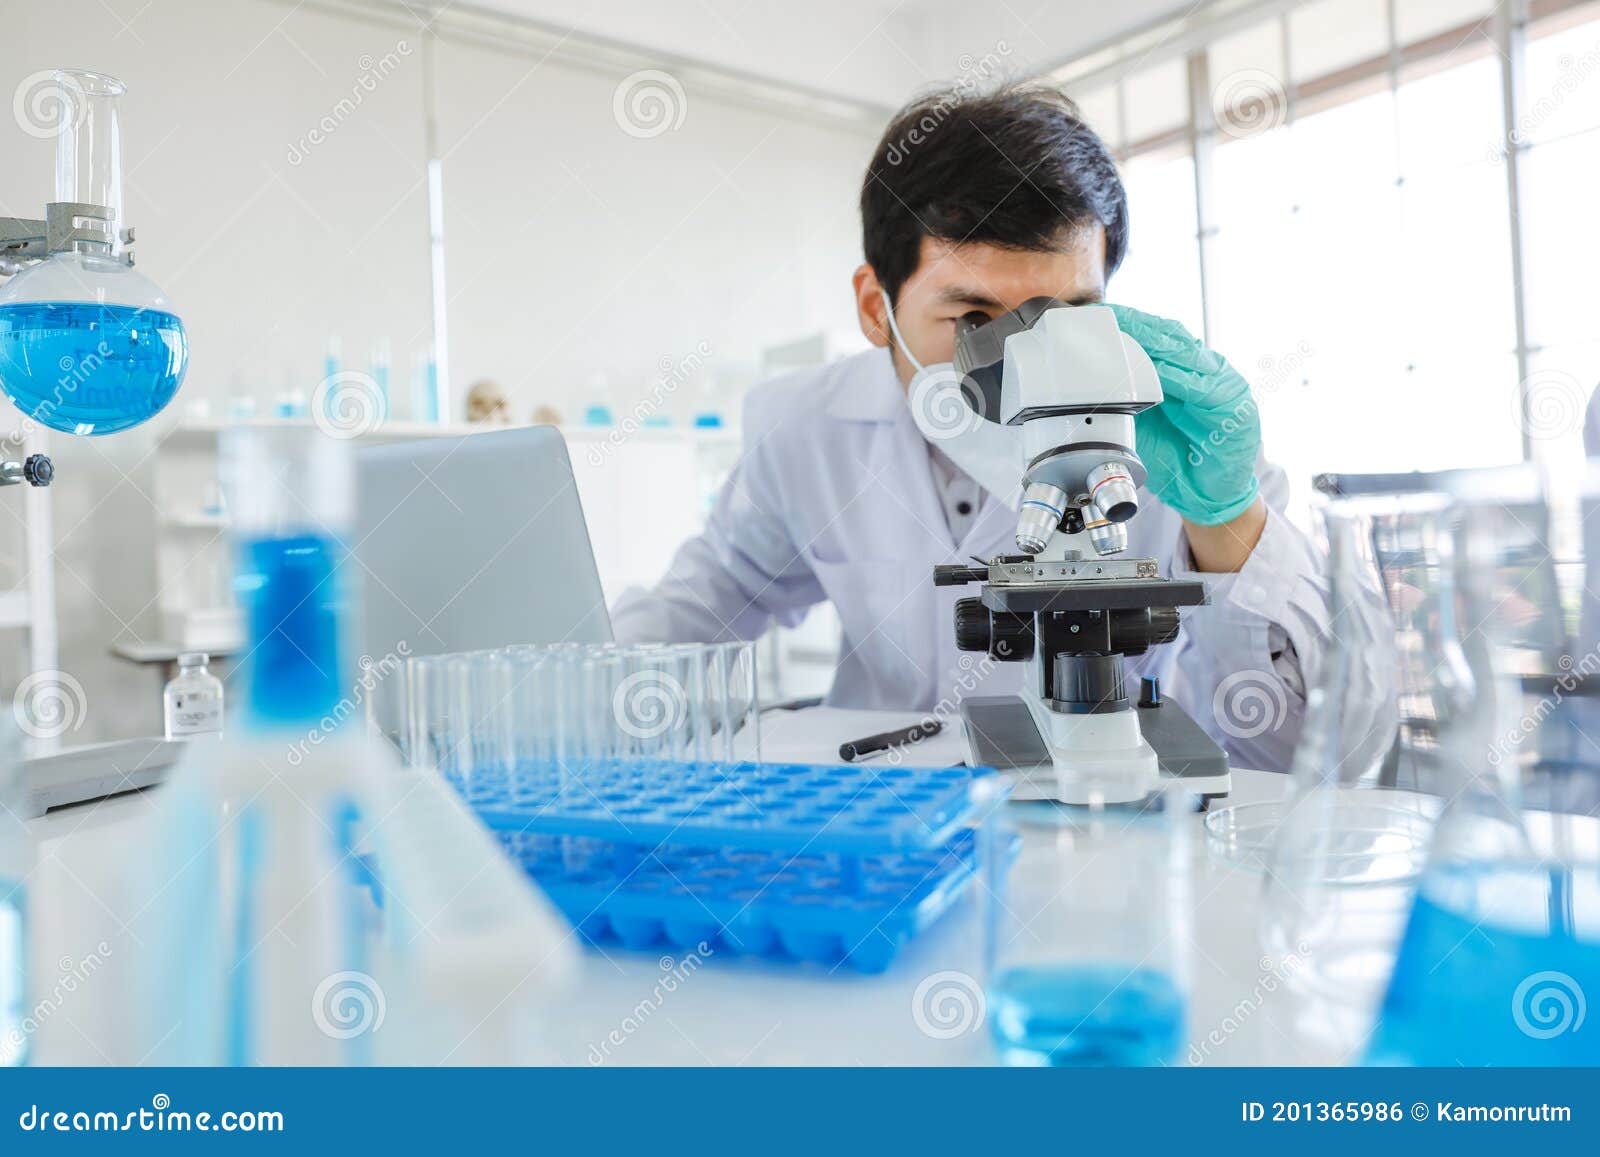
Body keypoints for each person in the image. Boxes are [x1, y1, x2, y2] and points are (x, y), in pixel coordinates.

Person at [612, 85, 1331, 773]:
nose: (1022, 366)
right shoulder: (804, 426)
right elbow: (696, 613)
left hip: (1104, 803)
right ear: (874, 306)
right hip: (884, 802)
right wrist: (567, 698)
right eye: (975, 322)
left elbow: (1296, 746)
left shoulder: (1173, 432)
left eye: (1064, 317)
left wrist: (1228, 516)